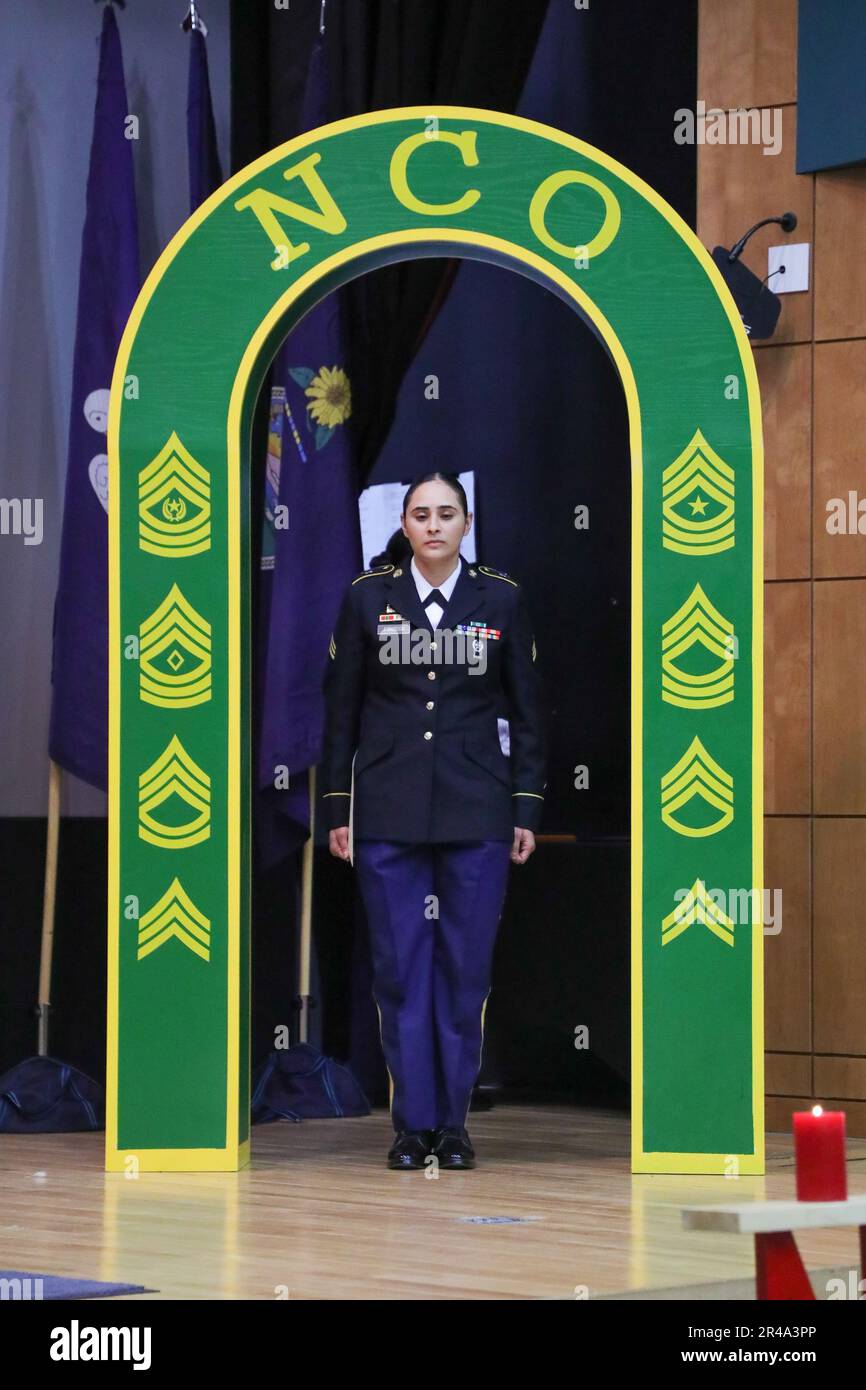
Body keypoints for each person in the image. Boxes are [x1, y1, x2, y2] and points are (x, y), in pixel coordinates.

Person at [320, 473, 547, 1170]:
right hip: (387, 811)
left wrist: (526, 807)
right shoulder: (368, 598)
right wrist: (337, 807)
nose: (434, 525)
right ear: (407, 525)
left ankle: (453, 1124)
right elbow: (341, 713)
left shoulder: (499, 598)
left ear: (466, 523)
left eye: (447, 513)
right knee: (400, 972)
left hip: (476, 810)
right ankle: (411, 1125)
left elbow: (530, 714)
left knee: (463, 972)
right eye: (421, 514)